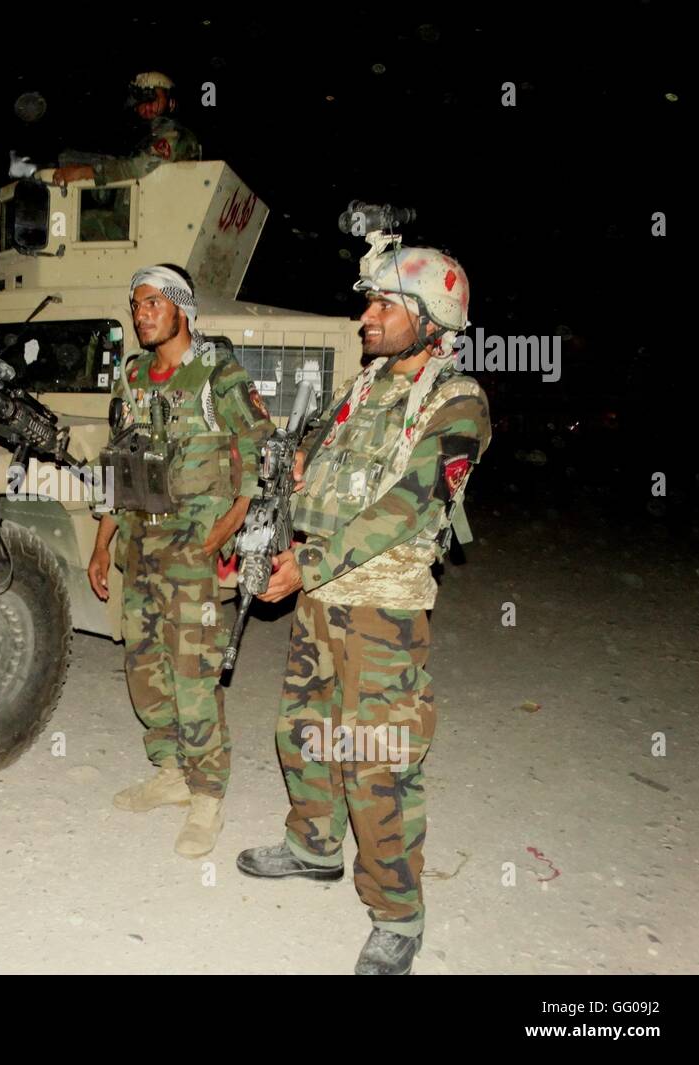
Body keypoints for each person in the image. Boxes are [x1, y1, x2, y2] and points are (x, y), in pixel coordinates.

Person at [235, 237, 491, 975]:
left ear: (431, 318)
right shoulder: (364, 387)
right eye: (369, 300)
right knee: (306, 729)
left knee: (378, 760)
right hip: (321, 597)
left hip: (382, 608)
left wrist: (305, 563)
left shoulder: (459, 403)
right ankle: (313, 845)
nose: (366, 316)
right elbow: (315, 463)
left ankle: (397, 912)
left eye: (384, 304)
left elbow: (410, 506)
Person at [87, 264, 268, 858]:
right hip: (140, 550)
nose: (140, 314)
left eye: (150, 303)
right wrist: (102, 541)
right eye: (134, 305)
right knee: (144, 669)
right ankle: (168, 771)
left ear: (180, 307)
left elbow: (258, 455)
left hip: (194, 552)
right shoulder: (135, 376)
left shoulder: (218, 374)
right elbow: (119, 464)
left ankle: (207, 795)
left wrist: (225, 531)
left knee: (194, 677)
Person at [53, 71, 202, 188]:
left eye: (152, 98)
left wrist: (84, 172)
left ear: (170, 100)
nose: (146, 107)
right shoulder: (146, 141)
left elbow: (140, 168)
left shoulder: (176, 135)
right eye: (140, 104)